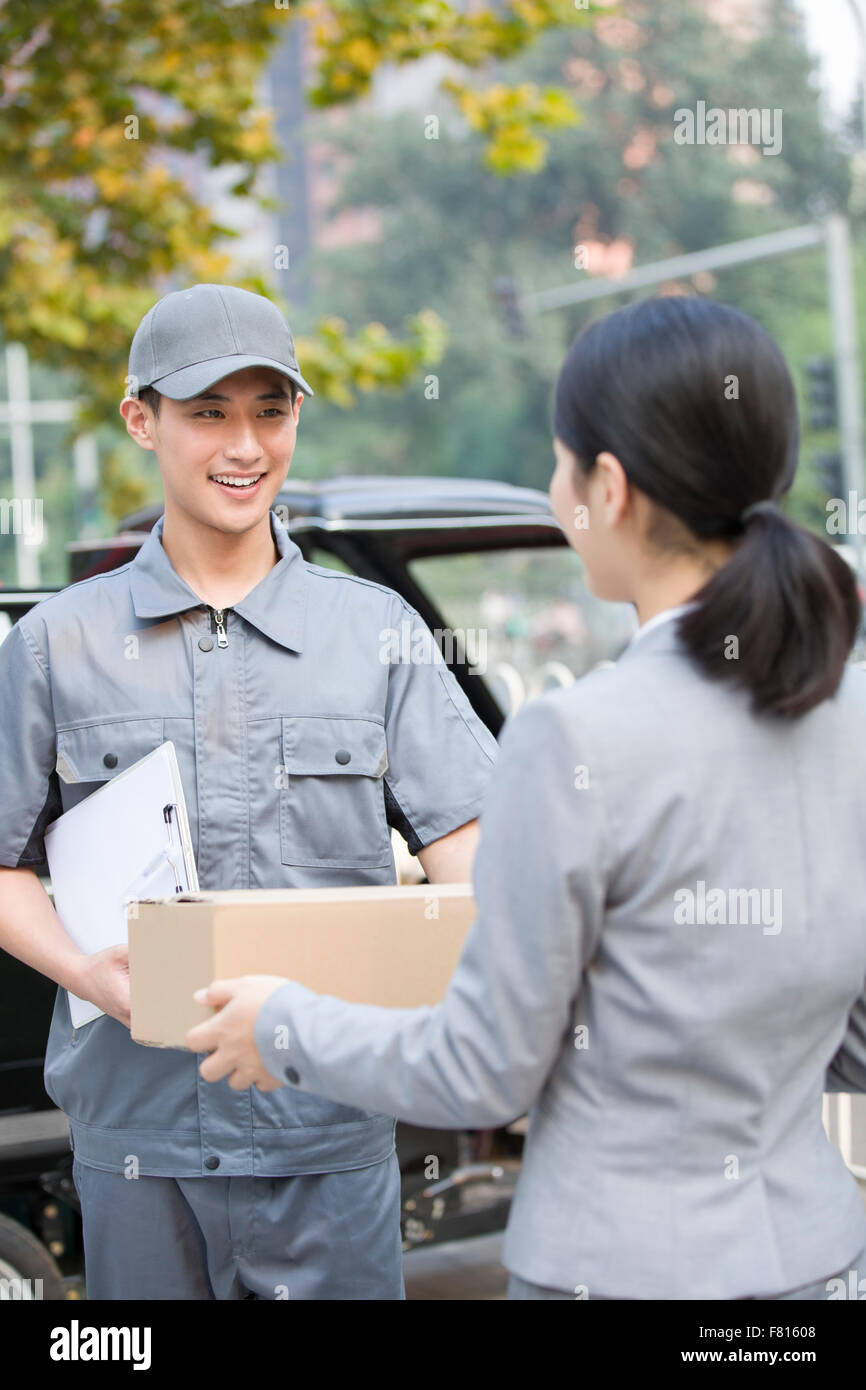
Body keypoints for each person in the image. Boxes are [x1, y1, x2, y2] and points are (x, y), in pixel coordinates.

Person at [191, 294, 866, 1301]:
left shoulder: (576, 735)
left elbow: (480, 1070)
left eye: (558, 464)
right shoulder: (843, 699)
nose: (554, 495)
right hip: (814, 1262)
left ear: (610, 485)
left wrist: (282, 1023)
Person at [0, 283, 498, 1300]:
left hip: (330, 1131)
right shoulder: (56, 643)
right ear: (141, 419)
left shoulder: (380, 636)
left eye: (270, 410)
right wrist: (88, 974)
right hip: (138, 1144)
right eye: (208, 412)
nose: (245, 445)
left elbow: (474, 859)